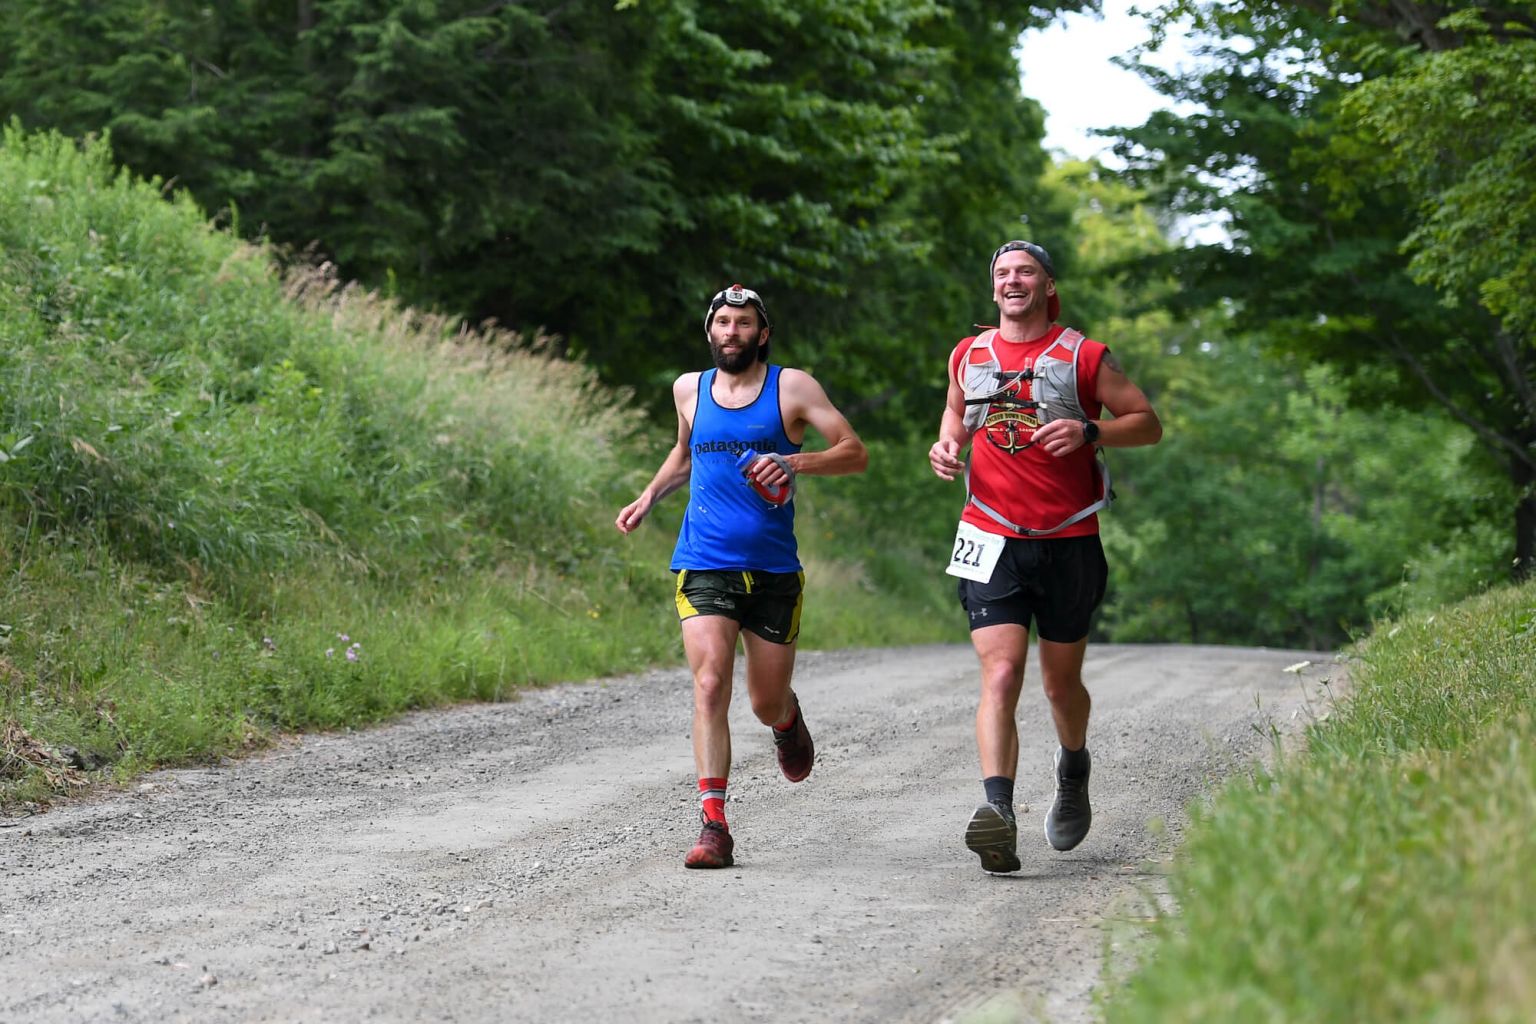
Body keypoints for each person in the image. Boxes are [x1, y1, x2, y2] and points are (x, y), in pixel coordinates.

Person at [616, 284, 868, 869]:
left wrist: (794, 460)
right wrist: (650, 494)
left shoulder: (793, 387)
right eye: (723, 322)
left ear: (764, 332)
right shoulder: (689, 389)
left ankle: (786, 719)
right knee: (709, 685)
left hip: (774, 569)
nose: (732, 332)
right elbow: (686, 453)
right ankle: (713, 824)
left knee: (763, 700)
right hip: (703, 559)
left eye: (744, 323)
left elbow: (855, 452)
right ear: (711, 331)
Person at [929, 240, 1162, 872]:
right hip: (990, 533)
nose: (1012, 281)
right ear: (993, 287)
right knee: (1000, 674)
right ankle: (998, 814)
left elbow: (1146, 421)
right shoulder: (969, 355)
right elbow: (956, 418)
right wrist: (947, 446)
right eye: (1002, 272)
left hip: (1068, 538)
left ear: (1047, 285)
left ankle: (1073, 766)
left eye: (1024, 271)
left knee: (1060, 686)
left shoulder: (1085, 355)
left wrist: (1093, 430)